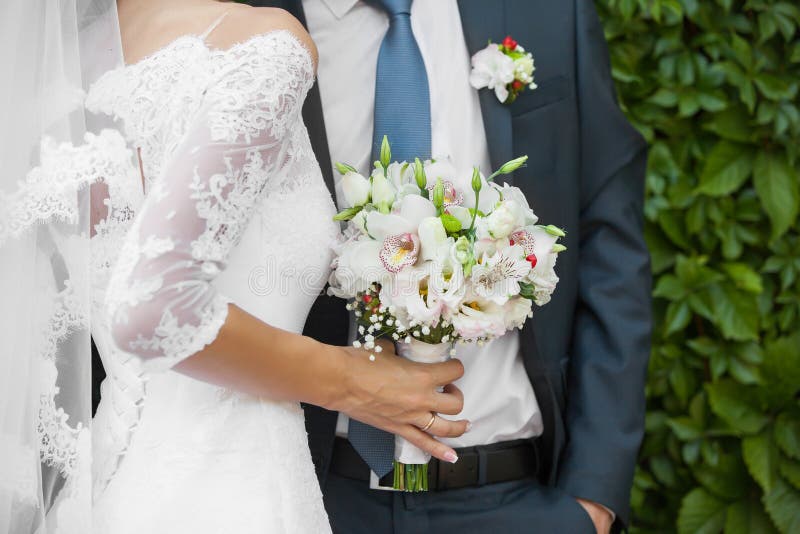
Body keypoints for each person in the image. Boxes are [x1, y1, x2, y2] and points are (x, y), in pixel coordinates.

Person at [249, 1, 653, 533]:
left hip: (514, 498)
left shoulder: (551, 11)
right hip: (310, 496)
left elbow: (609, 235)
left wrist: (592, 500)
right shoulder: (251, 22)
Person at [89, 0, 468, 532]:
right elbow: (153, 306)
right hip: (238, 489)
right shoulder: (261, 43)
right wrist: (353, 382)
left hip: (115, 481)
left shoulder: (69, 63)